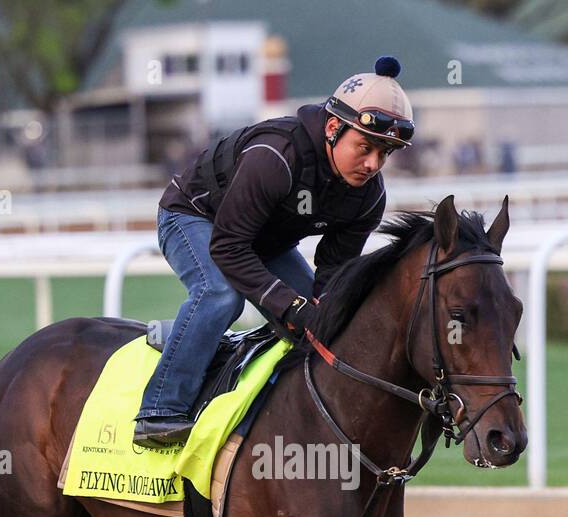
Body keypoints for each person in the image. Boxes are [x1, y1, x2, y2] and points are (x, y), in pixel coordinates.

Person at [133, 55, 415, 449]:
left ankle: (206, 348)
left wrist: (315, 308)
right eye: (365, 147)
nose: (372, 164)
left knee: (327, 325)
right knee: (220, 295)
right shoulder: (276, 155)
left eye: (385, 153)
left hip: (261, 239)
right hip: (194, 217)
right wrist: (289, 304)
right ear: (333, 128)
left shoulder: (368, 197)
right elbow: (229, 248)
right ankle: (159, 411)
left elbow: (333, 273)